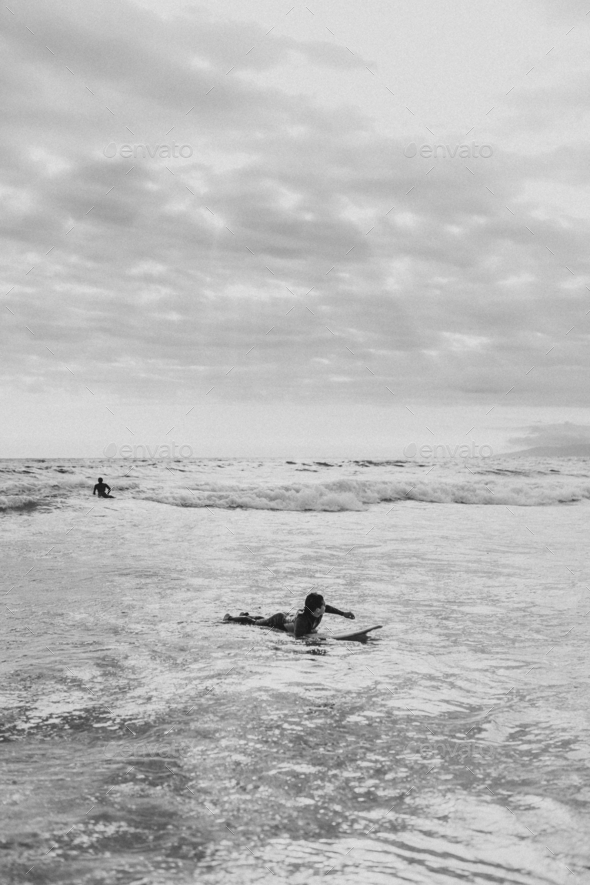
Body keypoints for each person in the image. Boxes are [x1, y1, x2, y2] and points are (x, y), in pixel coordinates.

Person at [223, 591, 354, 639]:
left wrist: (343, 614)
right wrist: (315, 639)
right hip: (279, 621)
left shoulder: (318, 611)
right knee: (255, 623)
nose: (326, 606)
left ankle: (246, 614)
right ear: (318, 609)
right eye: (323, 605)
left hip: (286, 616)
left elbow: (329, 608)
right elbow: (297, 637)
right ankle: (230, 618)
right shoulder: (302, 620)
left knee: (262, 619)